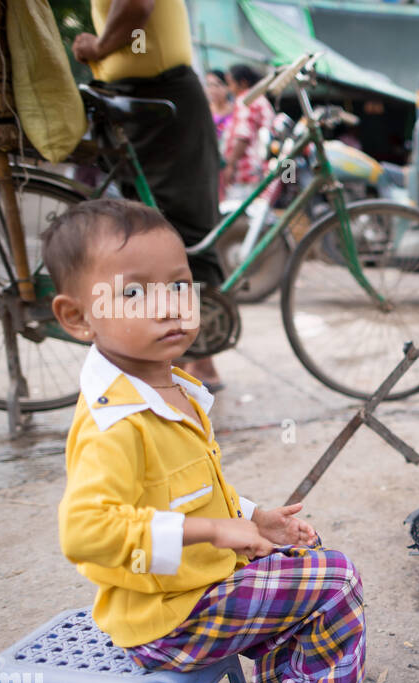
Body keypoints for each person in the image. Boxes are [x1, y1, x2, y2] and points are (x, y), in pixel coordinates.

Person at [47, 199, 415, 683]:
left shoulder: (173, 386)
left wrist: (252, 519)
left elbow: (192, 491)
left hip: (196, 589)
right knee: (336, 581)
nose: (169, 307)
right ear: (77, 317)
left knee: (304, 554)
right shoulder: (114, 423)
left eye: (178, 285)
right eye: (132, 292)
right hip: (164, 621)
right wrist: (218, 533)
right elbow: (86, 533)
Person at [71, 0, 226, 391]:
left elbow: (136, 6)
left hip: (157, 103)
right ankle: (192, 357)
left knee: (170, 230)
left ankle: (195, 355)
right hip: (148, 106)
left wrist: (98, 47)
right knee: (178, 232)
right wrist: (99, 49)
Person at [221, 63, 277, 202]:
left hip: (247, 170)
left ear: (243, 83)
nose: (229, 88)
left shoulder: (246, 100)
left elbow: (243, 136)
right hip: (259, 168)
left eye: (230, 83)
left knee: (239, 214)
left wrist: (230, 165)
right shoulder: (259, 99)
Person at [204, 68, 234, 148]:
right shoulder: (204, 111)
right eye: (209, 85)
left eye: (217, 85)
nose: (213, 90)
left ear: (227, 87)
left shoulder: (235, 110)